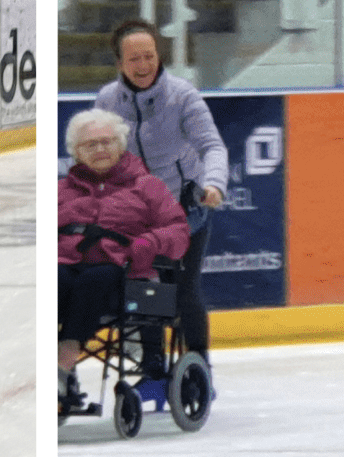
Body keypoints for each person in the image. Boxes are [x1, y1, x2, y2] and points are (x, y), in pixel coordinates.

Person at [95, 21, 227, 373]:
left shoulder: (182, 96)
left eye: (149, 56)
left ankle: (199, 366)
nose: (143, 65)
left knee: (183, 291)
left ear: (159, 56)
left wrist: (213, 184)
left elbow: (211, 145)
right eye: (134, 58)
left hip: (185, 209)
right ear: (120, 63)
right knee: (144, 288)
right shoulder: (108, 100)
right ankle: (152, 364)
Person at [58, 108, 192, 411]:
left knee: (97, 277)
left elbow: (179, 231)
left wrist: (151, 241)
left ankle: (64, 358)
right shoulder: (60, 191)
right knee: (56, 278)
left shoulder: (147, 186)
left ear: (121, 145)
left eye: (107, 142)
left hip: (124, 275)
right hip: (67, 267)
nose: (100, 149)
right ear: (76, 153)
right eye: (90, 145)